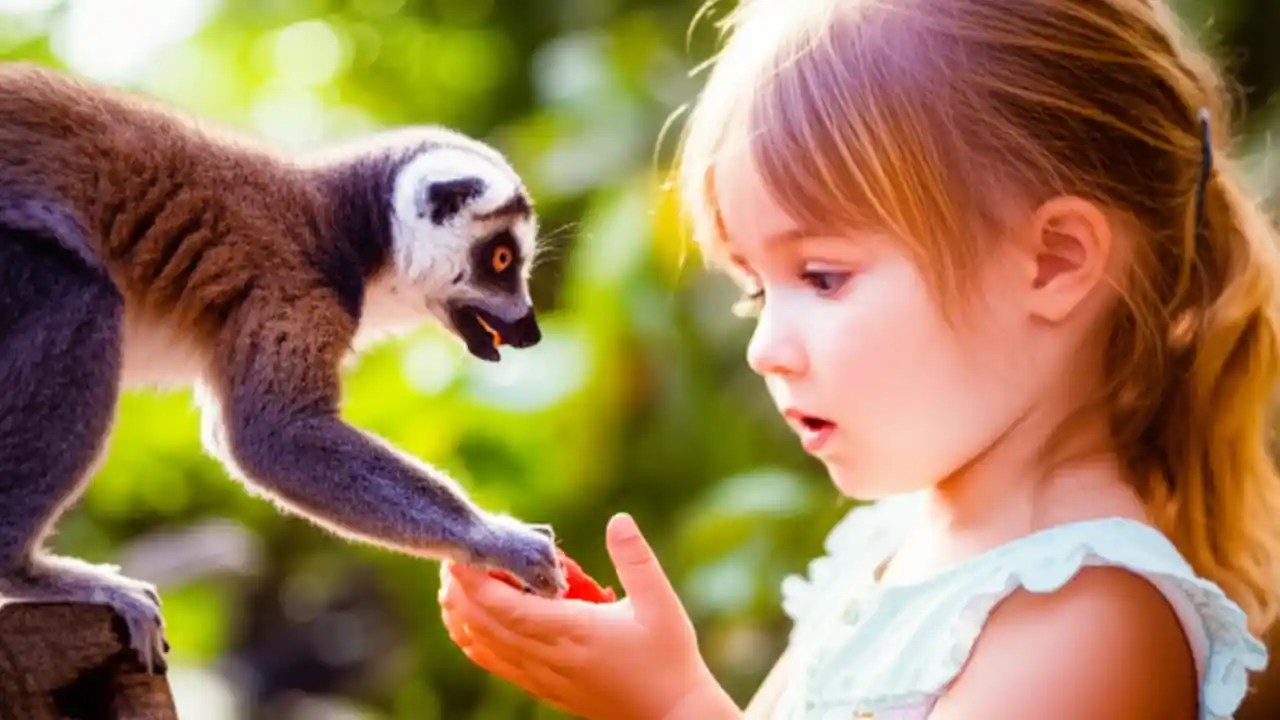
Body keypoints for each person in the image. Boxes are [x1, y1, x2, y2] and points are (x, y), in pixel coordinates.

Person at [437, 0, 1280, 717]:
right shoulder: (902, 541)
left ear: (1053, 262)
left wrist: (673, 704)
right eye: (756, 291)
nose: (766, 350)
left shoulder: (1092, 620)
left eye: (823, 277)